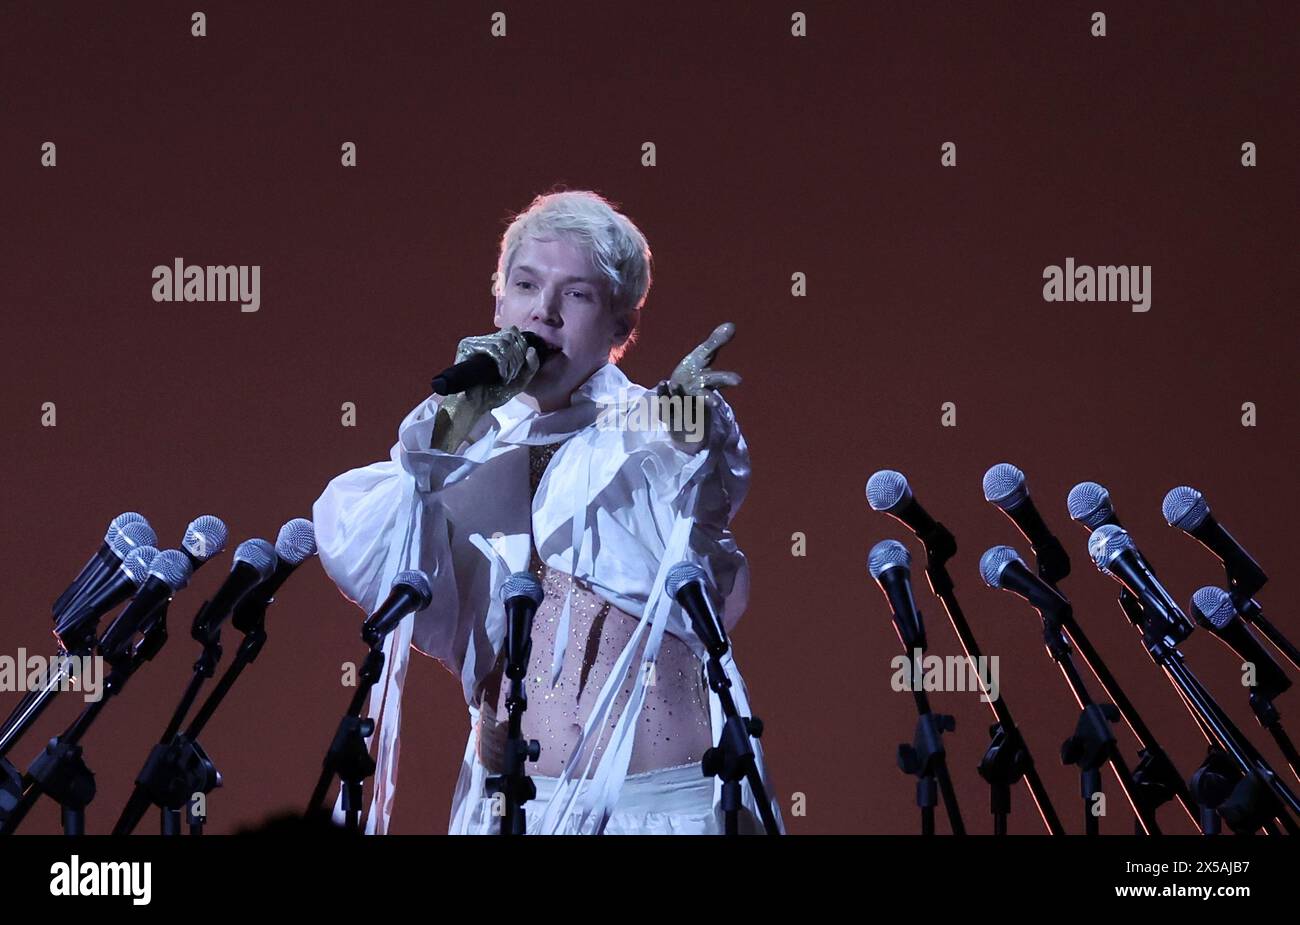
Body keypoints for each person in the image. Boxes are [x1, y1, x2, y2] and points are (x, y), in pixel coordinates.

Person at [312, 189, 782, 834]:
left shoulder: (649, 430)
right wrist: (458, 423)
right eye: (526, 285)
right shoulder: (458, 451)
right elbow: (372, 541)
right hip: (511, 806)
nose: (545, 311)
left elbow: (703, 473)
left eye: (578, 295)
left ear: (621, 327)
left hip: (659, 807)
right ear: (499, 302)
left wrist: (690, 419)